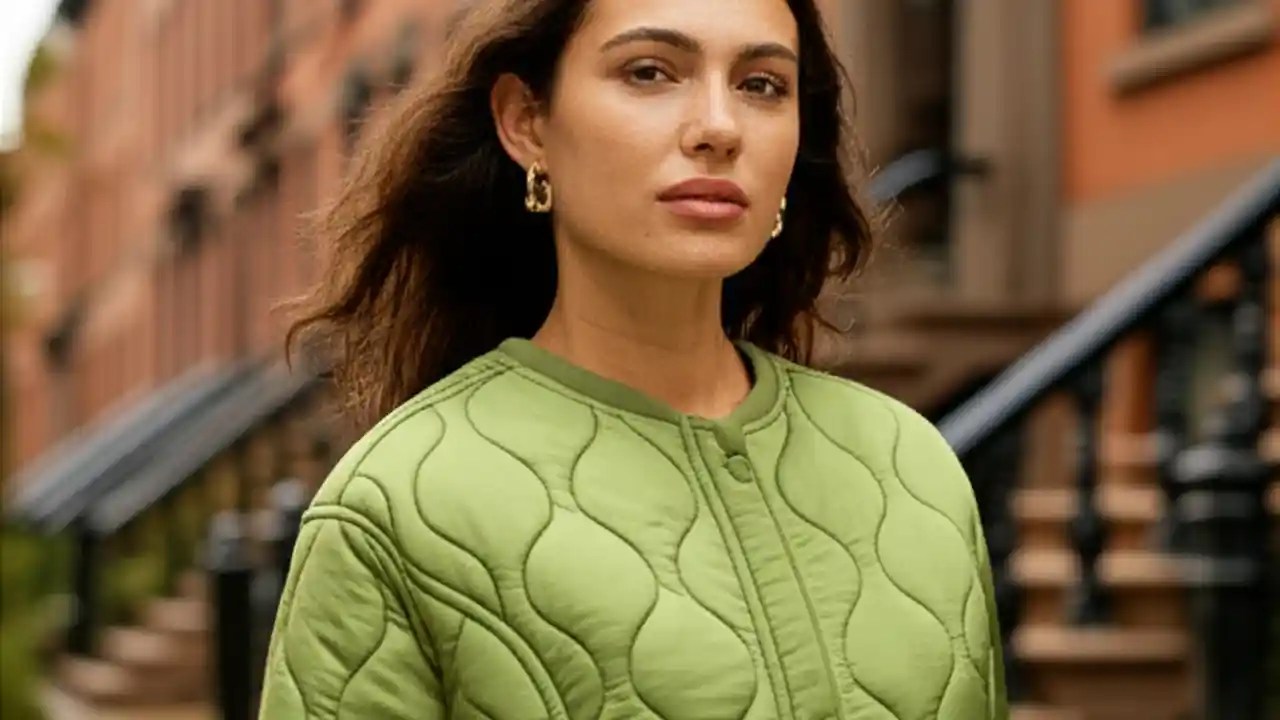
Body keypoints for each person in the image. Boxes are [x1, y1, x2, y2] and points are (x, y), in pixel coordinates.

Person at [259, 0, 1008, 717]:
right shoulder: (395, 504)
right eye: (649, 72)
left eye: (761, 85)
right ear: (526, 122)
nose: (719, 128)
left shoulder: (912, 466)